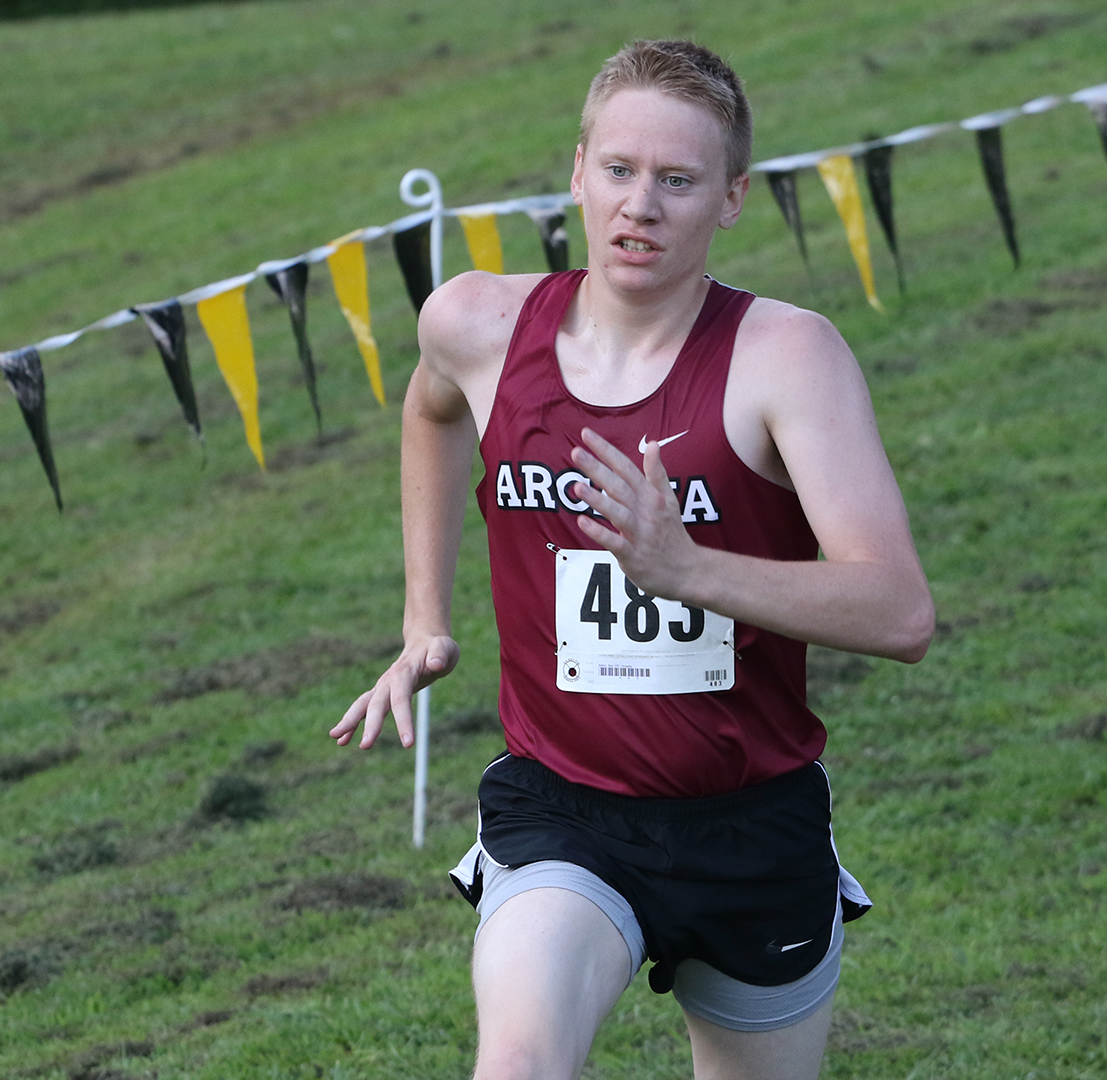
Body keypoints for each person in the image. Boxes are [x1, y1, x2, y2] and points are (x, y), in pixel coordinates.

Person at [332, 39, 934, 1080]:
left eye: (677, 180)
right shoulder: (477, 323)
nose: (640, 207)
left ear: (732, 197)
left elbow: (897, 612)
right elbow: (431, 410)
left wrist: (690, 568)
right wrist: (424, 618)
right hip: (563, 808)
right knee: (515, 1065)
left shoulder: (786, 357)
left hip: (752, 822)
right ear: (576, 172)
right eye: (618, 171)